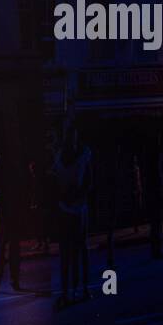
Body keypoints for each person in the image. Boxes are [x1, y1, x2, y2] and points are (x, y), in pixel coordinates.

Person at [53, 123, 92, 309]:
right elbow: (88, 182)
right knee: (78, 250)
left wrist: (67, 196)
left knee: (71, 252)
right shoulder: (79, 156)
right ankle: (77, 289)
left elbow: (87, 182)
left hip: (69, 208)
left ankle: (74, 289)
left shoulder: (62, 157)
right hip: (74, 209)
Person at [0, 146, 22, 293]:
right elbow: (20, 190)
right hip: (12, 211)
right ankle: (14, 280)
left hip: (1, 212)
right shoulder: (13, 169)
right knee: (14, 248)